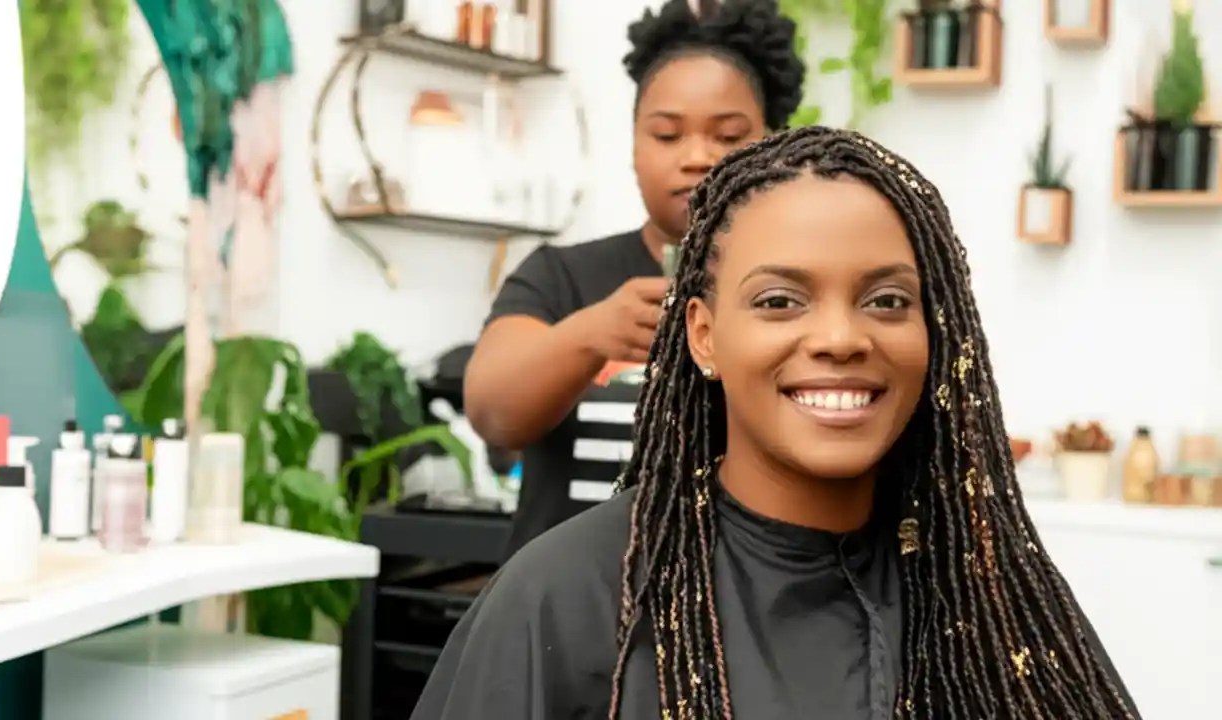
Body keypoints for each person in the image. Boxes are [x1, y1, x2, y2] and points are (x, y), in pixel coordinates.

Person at [412, 126, 1141, 719]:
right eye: (779, 301)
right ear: (702, 335)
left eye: (887, 300)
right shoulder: (566, 600)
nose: (841, 338)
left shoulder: (990, 598)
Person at [464, 0, 804, 555]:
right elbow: (493, 415)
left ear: (772, 144)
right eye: (667, 135)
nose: (697, 157)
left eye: (727, 136)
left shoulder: (802, 288)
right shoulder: (563, 277)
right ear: (633, 147)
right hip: (570, 618)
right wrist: (590, 335)